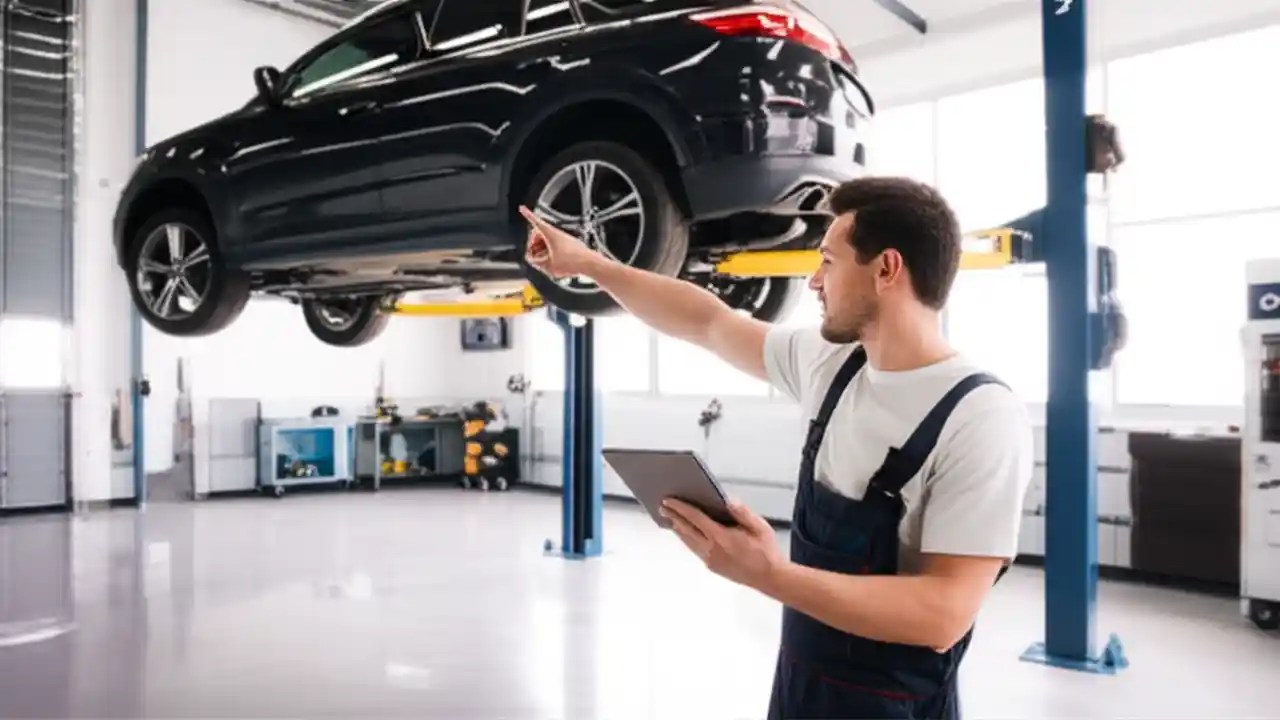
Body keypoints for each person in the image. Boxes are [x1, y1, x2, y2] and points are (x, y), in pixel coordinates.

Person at [518, 176, 1033, 720]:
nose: (814, 281)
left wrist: (769, 574)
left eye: (828, 262)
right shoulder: (831, 364)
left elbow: (943, 614)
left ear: (886, 269)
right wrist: (591, 265)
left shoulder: (980, 417)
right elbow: (709, 322)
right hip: (799, 687)